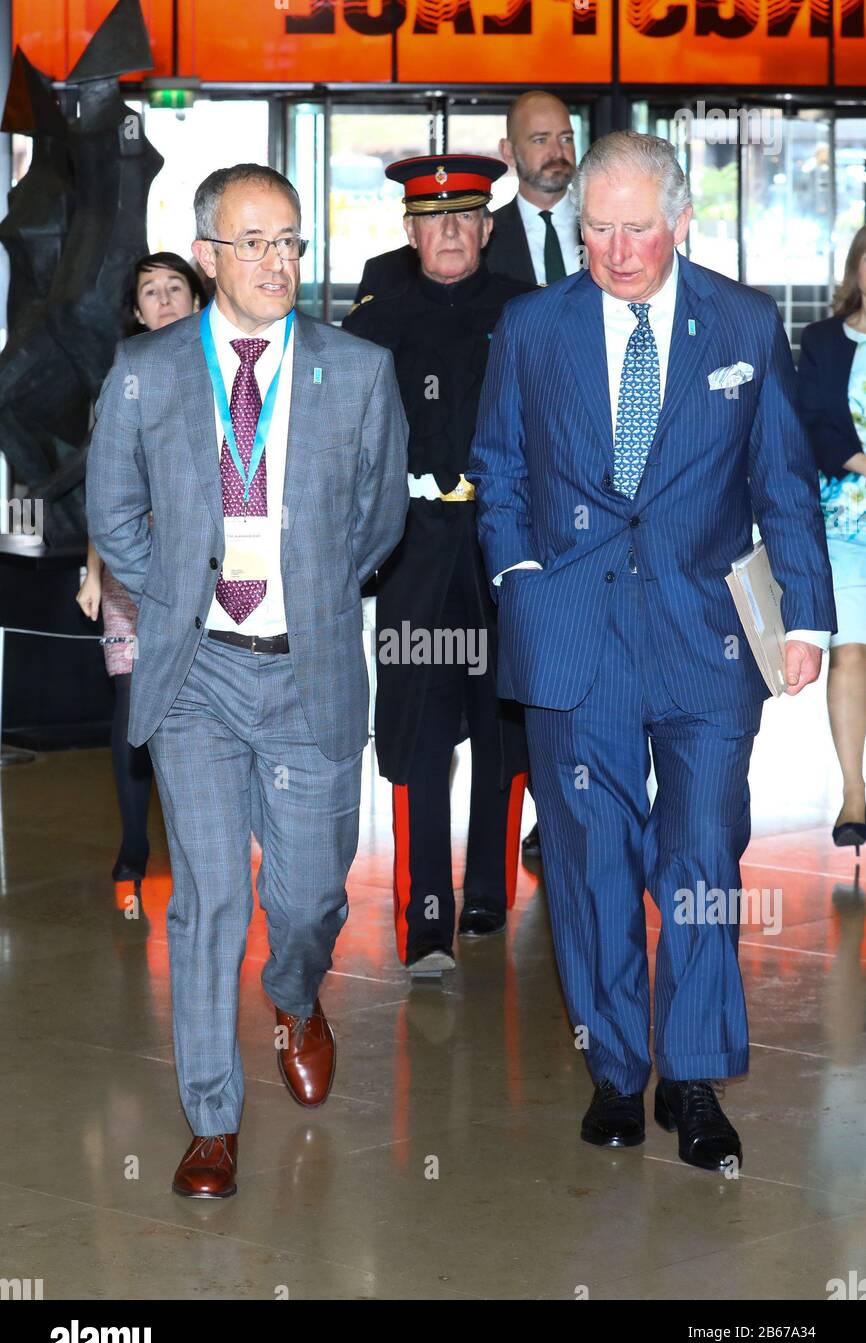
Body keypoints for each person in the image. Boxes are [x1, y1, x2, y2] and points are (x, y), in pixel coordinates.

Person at [468, 131, 835, 1172]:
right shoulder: (532, 325)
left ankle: (694, 1077)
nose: (617, 252)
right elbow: (497, 467)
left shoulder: (744, 322)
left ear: (681, 221)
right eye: (597, 230)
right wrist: (519, 578)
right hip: (572, 635)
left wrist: (804, 619)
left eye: (637, 229)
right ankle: (616, 1069)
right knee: (587, 859)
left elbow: (781, 478)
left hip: (703, 638)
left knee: (702, 854)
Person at [86, 163, 408, 1199]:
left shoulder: (356, 370)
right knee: (209, 899)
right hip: (197, 674)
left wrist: (307, 588)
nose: (277, 262)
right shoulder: (146, 368)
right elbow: (112, 507)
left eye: (290, 242)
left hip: (308, 669)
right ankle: (211, 1120)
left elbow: (380, 518)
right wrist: (180, 591)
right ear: (208, 255)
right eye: (254, 243)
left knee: (309, 897)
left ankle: (295, 996)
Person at [343, 155, 530, 977]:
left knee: (504, 727)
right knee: (417, 731)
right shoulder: (372, 325)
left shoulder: (529, 313)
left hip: (506, 553)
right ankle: (425, 913)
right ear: (409, 232)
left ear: (486, 228)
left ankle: (488, 887)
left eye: (464, 217)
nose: (449, 232)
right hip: (415, 556)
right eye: (433, 219)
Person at [77, 252, 207, 892]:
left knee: (204, 706)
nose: (163, 300)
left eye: (174, 287)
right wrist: (93, 571)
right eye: (150, 291)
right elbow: (105, 490)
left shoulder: (226, 371)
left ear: (197, 299)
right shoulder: (121, 379)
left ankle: (201, 842)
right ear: (135, 311)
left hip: (208, 567)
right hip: (132, 573)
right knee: (134, 705)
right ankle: (134, 842)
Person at [352, 90, 579, 304]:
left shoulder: (597, 228)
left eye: (566, 139)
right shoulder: (469, 243)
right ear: (508, 151)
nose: (557, 152)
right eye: (540, 140)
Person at [798, 225, 866, 851]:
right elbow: (813, 422)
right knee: (849, 653)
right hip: (844, 524)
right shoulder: (823, 340)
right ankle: (853, 793)